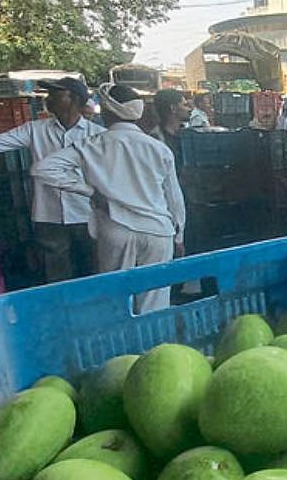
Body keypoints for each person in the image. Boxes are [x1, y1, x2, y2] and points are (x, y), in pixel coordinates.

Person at [33, 83, 186, 313]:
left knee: (118, 300)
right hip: (159, 232)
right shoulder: (158, 148)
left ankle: (124, 346)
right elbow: (174, 197)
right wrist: (179, 234)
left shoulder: (92, 144)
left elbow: (42, 169)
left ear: (107, 111)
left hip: (116, 229)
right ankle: (154, 345)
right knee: (155, 303)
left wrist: (89, 191)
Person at [0, 77, 104, 284]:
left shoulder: (99, 135)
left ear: (73, 98)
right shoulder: (35, 129)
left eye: (55, 93)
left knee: (93, 269)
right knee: (55, 275)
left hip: (87, 214)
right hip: (49, 216)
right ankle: (60, 311)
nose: (48, 98)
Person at [151, 88, 192, 163]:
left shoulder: (188, 133)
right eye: (185, 105)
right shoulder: (155, 139)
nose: (190, 109)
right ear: (173, 108)